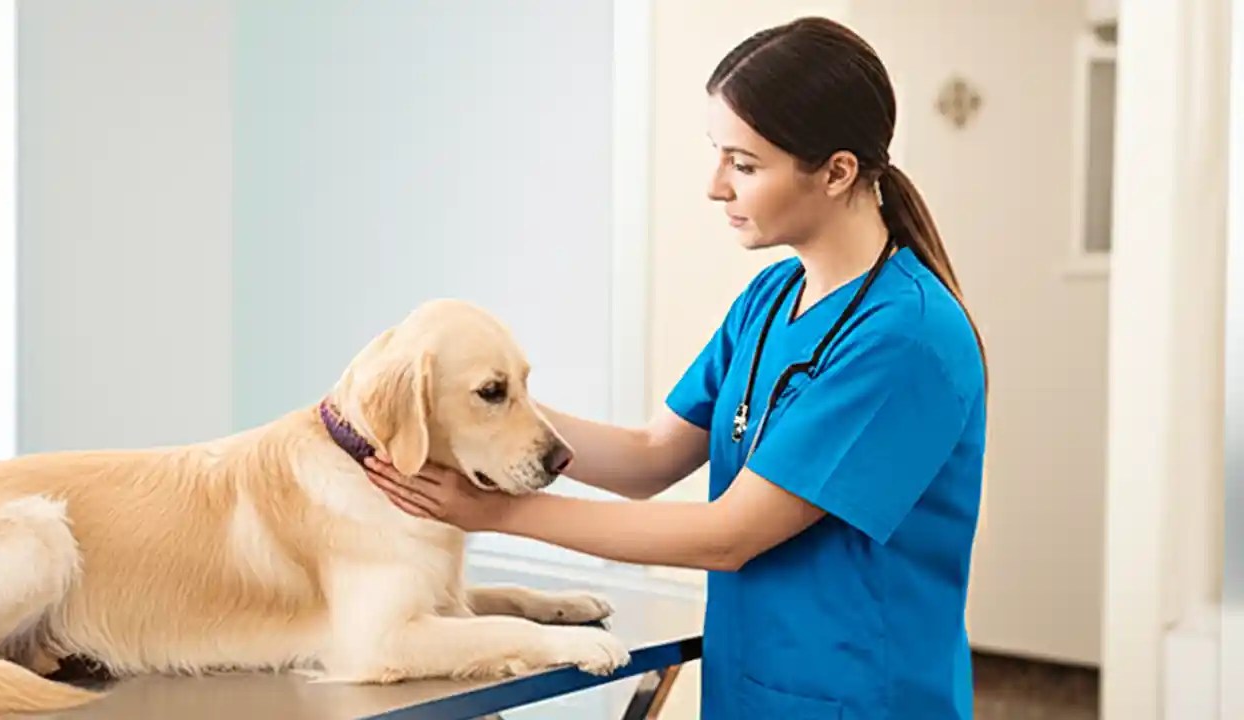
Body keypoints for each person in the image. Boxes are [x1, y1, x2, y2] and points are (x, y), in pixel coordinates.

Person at [367, 15, 988, 720]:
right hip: (754, 686)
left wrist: (494, 509)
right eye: (717, 155)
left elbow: (729, 535)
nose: (715, 187)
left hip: (860, 696)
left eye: (744, 165)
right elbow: (648, 457)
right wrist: (477, 404)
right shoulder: (771, 298)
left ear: (838, 171)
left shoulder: (906, 338)